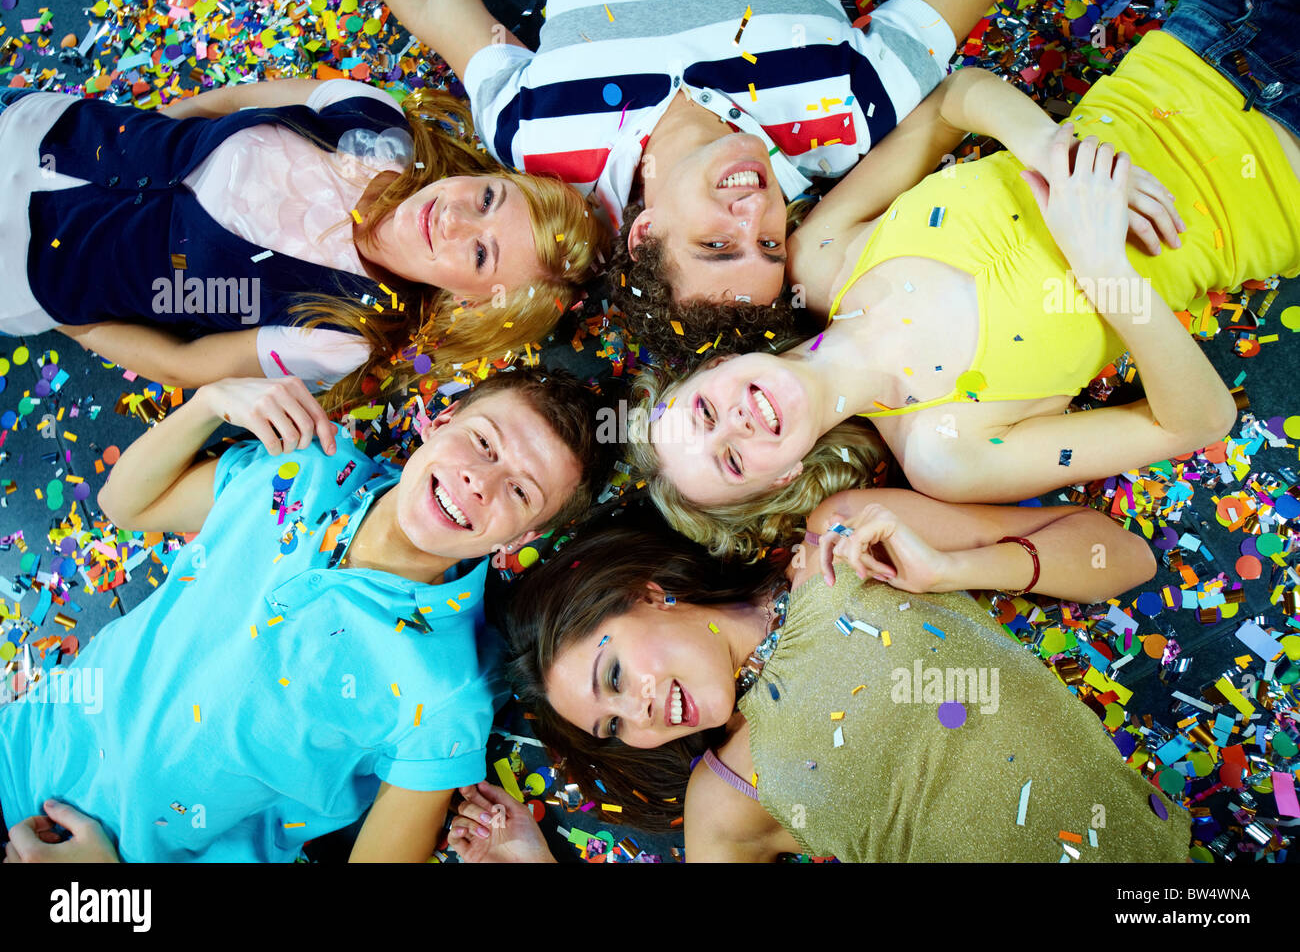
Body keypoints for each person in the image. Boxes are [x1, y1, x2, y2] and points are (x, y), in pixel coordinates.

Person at [627, 0, 1300, 558]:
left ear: (716, 366)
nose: (736, 423)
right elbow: (1196, 422)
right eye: (733, 461)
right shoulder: (946, 457)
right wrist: (1102, 265)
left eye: (705, 411)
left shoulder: (820, 257)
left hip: (1211, 38)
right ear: (786, 478)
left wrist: (1046, 147)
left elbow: (956, 99)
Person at [0, 367, 613, 862]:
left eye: (520, 491)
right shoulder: (299, 468)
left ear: (519, 540)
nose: (481, 481)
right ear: (442, 420)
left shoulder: (448, 694)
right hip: (16, 745)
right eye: (482, 442)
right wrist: (210, 400)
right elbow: (123, 504)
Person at [445, 489, 1193, 862]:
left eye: (614, 675)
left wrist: (955, 570)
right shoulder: (725, 799)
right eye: (614, 727)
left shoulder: (844, 544)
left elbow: (1124, 557)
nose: (640, 714)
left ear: (647, 592)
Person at [0, 78, 606, 405]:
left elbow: (184, 366)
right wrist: (153, 128)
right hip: (36, 127)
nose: (454, 219)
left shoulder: (339, 334)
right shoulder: (371, 118)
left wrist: (67, 319)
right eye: (488, 199)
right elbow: (232, 102)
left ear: (471, 301)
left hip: (21, 271)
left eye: (480, 253)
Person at [384, 0, 998, 309]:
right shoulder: (845, 115)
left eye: (718, 245)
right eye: (769, 244)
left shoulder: (536, 139)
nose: (753, 216)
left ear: (644, 233)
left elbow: (440, 11)